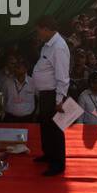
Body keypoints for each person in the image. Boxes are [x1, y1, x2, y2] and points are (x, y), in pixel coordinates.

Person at [32, 16, 70, 176]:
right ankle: (48, 154)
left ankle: (58, 163)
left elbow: (62, 76)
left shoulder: (59, 47)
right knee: (45, 126)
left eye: (38, 30)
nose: (38, 33)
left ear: (46, 29)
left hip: (54, 93)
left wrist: (59, 99)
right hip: (45, 93)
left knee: (55, 129)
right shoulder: (48, 45)